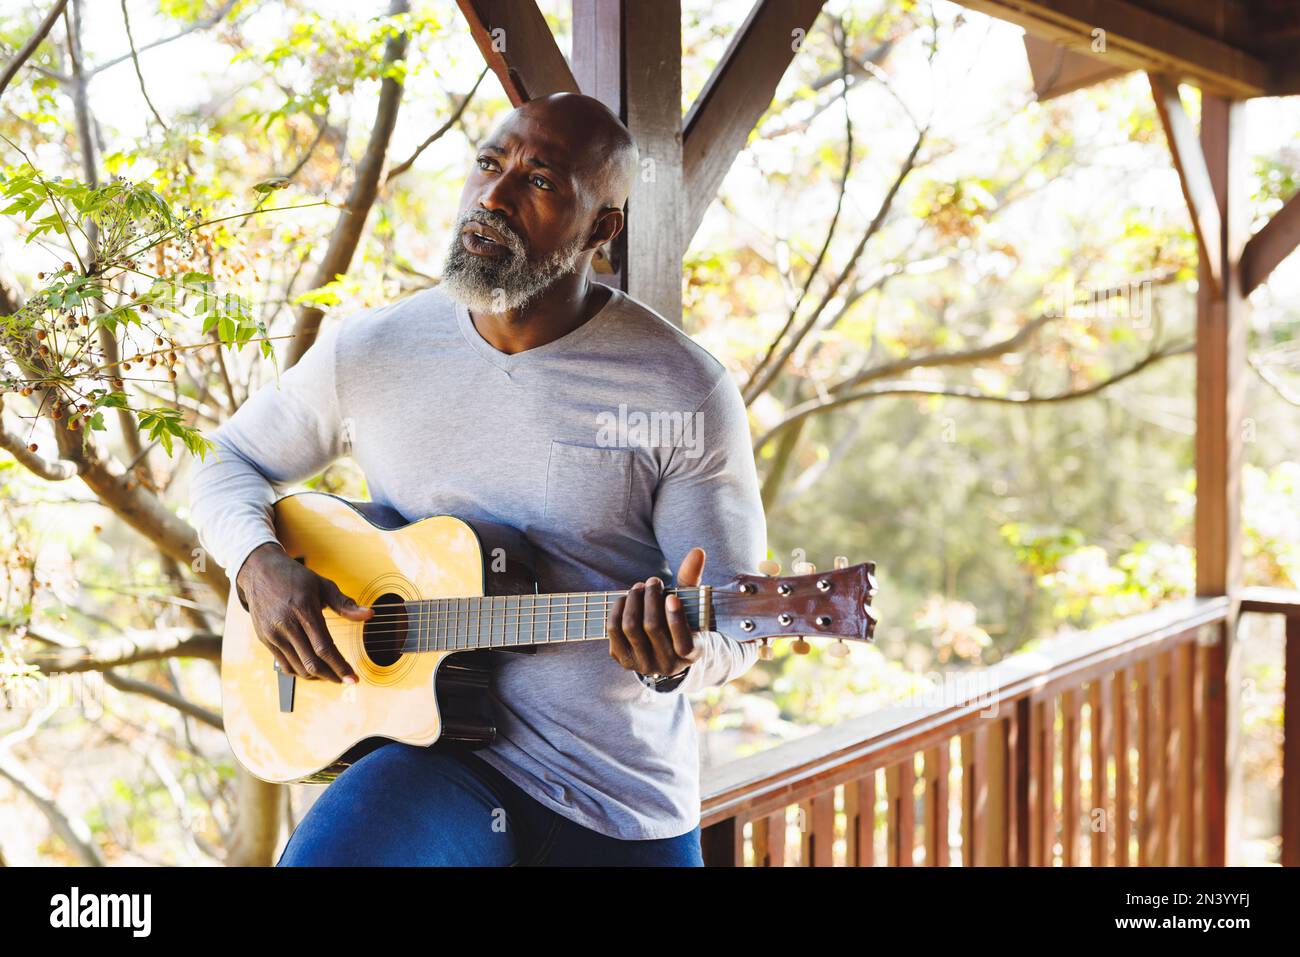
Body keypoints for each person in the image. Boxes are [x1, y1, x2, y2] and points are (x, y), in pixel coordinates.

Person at [189, 91, 767, 866]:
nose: (493, 196)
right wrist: (258, 565)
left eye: (539, 181)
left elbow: (737, 615)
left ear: (602, 227)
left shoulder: (680, 388)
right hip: (432, 754)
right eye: (489, 163)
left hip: (612, 793)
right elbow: (227, 461)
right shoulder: (374, 350)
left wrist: (681, 655)